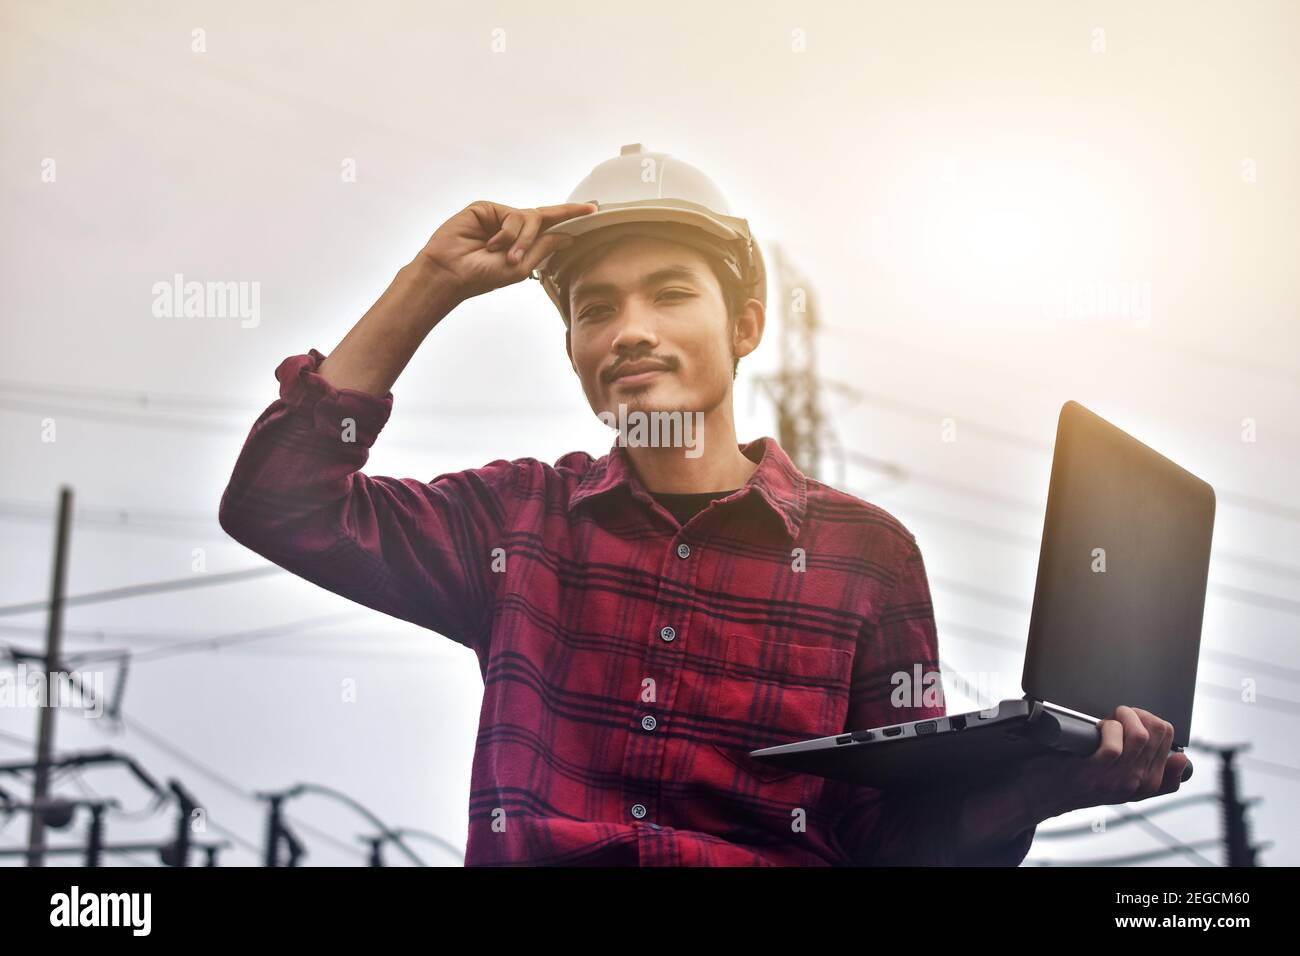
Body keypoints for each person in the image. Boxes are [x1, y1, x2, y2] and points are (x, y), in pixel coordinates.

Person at [219, 145, 1188, 865]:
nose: (628, 331)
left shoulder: (866, 555)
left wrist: (1045, 785)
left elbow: (891, 841)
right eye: (594, 309)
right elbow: (280, 502)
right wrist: (430, 282)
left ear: (747, 325)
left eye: (669, 293)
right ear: (574, 354)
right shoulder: (515, 520)